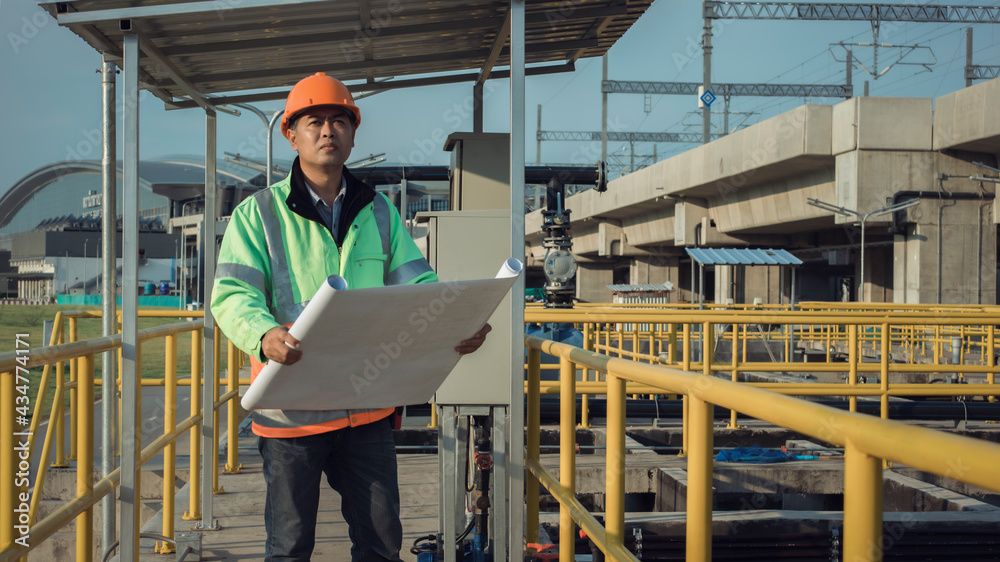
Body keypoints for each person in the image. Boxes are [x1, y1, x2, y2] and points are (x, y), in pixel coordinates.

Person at [211, 72, 491, 562]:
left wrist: (457, 323)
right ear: (291, 134)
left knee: (381, 543)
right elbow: (232, 294)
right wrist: (264, 333)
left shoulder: (379, 211)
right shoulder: (257, 214)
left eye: (339, 120)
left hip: (367, 407)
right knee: (290, 546)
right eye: (314, 121)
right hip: (291, 413)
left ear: (353, 133)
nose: (327, 131)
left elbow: (419, 286)